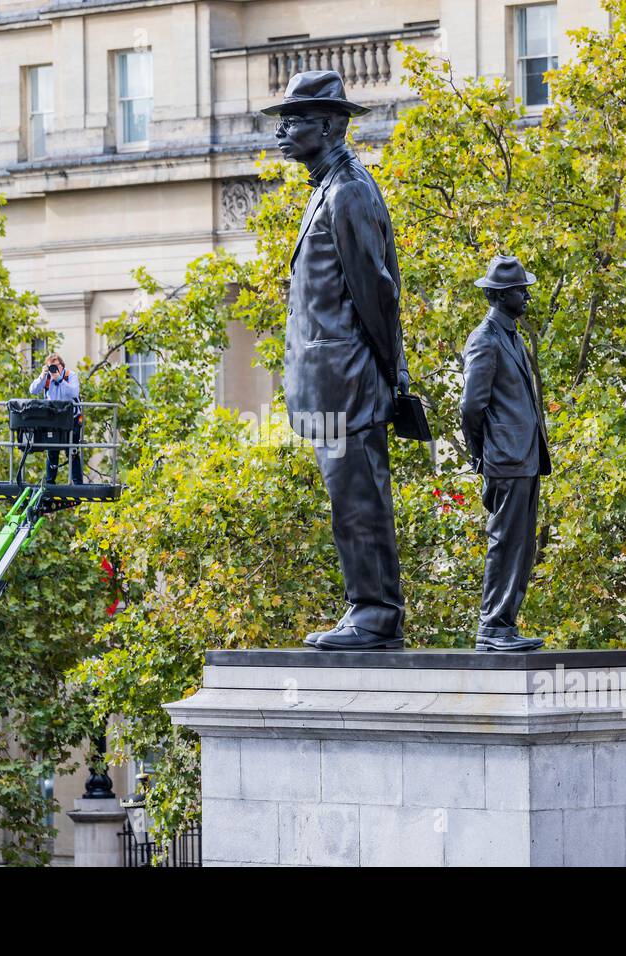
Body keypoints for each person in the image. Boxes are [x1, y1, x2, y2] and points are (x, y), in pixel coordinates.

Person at [265, 70, 409, 651]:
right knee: (347, 498)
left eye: (293, 121)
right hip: (332, 383)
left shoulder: (348, 188)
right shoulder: (329, 188)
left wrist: (390, 374)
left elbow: (377, 291)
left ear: (326, 126)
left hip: (348, 382)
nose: (282, 132)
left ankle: (375, 615)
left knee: (358, 500)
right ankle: (367, 609)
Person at [460, 255, 551, 652]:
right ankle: (492, 626)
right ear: (500, 295)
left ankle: (505, 624)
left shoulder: (511, 335)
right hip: (505, 459)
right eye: (520, 289)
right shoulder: (485, 338)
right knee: (505, 542)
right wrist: (482, 453)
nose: (526, 295)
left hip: (524, 459)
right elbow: (470, 407)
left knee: (522, 546)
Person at [28, 354, 83, 484]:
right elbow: (33, 390)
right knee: (52, 449)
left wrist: (59, 379)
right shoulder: (46, 379)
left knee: (72, 450)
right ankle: (50, 482)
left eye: (56, 365)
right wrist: (42, 376)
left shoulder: (70, 376)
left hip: (72, 417)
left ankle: (77, 482)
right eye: (50, 366)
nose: (53, 368)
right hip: (53, 418)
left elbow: (73, 392)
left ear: (62, 366)